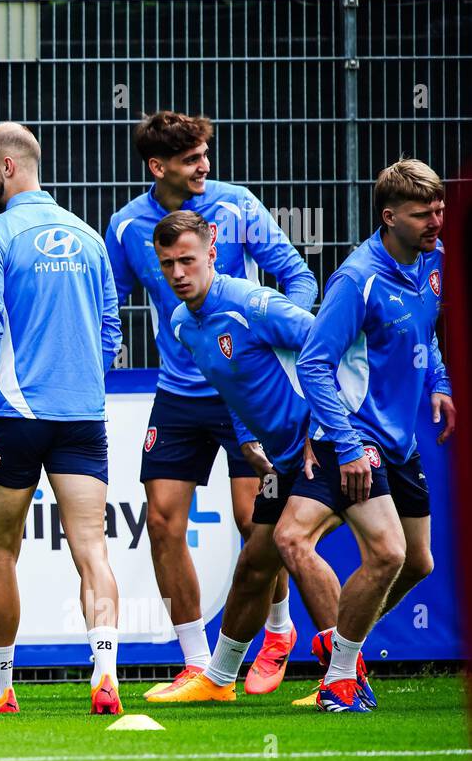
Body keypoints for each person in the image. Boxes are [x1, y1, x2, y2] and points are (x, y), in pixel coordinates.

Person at [104, 111, 318, 697]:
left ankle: (277, 634)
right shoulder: (125, 227)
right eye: (193, 158)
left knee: (256, 524)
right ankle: (198, 662)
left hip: (245, 397)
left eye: (205, 155)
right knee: (161, 521)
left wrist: (272, 350)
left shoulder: (239, 205)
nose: (206, 166)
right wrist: (96, 361)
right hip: (178, 394)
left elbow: (298, 279)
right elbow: (109, 306)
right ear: (159, 167)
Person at [141, 211, 347, 703]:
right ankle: (218, 679)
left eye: (187, 260)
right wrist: (248, 438)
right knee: (257, 562)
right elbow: (231, 385)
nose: (177, 274)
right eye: (167, 264)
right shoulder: (181, 324)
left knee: (320, 546)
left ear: (212, 252)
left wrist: (329, 431)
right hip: (280, 459)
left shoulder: (251, 304)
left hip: (325, 447)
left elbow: (325, 346)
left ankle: (344, 675)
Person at [276, 158, 454, 713]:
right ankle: (340, 677)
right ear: (388, 216)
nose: (436, 221)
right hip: (356, 436)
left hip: (400, 440)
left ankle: (341, 653)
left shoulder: (433, 262)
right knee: (386, 553)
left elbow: (427, 331)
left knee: (418, 562)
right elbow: (313, 364)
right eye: (423, 213)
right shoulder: (357, 279)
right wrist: (348, 444)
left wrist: (439, 383)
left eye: (440, 209)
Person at [0, 122, 124, 716]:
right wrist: (79, 382)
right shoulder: (90, 237)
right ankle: (104, 672)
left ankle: (1, 690)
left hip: (12, 415)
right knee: (94, 551)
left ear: (8, 167)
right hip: (83, 416)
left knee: (0, 553)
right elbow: (111, 332)